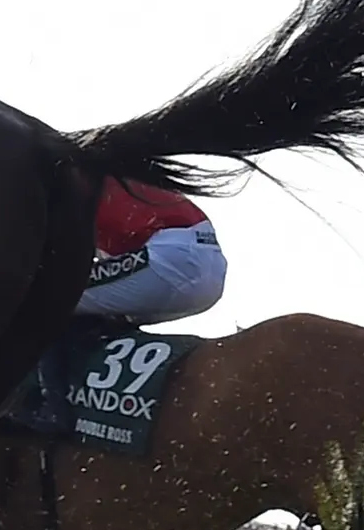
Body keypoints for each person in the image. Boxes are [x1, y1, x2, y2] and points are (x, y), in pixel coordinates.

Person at [14, 176, 226, 437]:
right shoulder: (106, 177)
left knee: (43, 297)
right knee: (87, 312)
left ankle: (54, 409)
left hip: (169, 259)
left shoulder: (63, 184)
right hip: (207, 269)